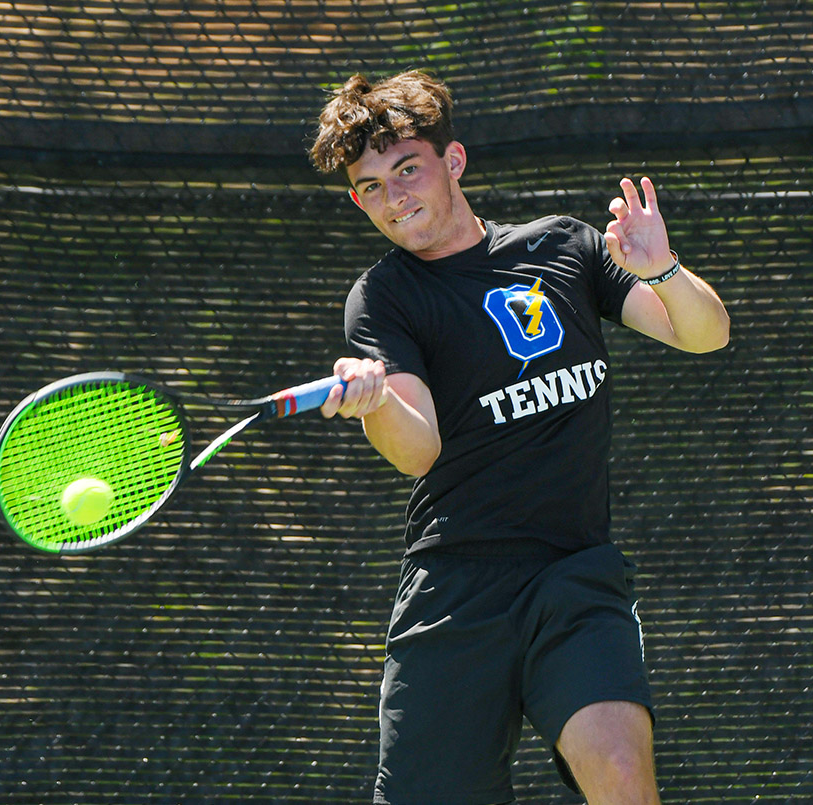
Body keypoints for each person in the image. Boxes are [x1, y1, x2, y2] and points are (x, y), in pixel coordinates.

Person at [308, 70, 729, 805]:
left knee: (625, 778)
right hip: (457, 590)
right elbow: (418, 448)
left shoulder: (565, 247)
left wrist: (662, 267)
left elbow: (704, 333)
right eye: (371, 186)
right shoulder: (384, 298)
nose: (394, 196)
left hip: (576, 576)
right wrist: (373, 401)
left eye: (407, 168)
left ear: (454, 161)